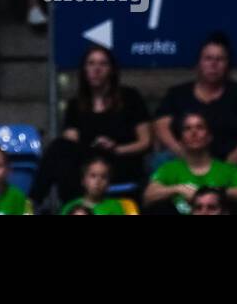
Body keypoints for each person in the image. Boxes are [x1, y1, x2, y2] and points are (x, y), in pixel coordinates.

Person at [153, 35, 237, 214]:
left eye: (220, 59)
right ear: (199, 63)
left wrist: (235, 158)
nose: (214, 64)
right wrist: (181, 153)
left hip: (231, 161)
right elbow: (161, 125)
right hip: (186, 159)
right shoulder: (178, 94)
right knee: (160, 161)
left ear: (227, 65)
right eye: (208, 58)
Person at [30, 44, 151, 209]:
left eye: (102, 64)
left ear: (112, 70)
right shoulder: (76, 104)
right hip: (88, 162)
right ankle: (33, 204)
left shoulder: (130, 97)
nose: (96, 69)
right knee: (60, 150)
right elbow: (70, 141)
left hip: (120, 160)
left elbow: (145, 142)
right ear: (84, 70)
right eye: (91, 64)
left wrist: (116, 148)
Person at [143, 112, 237, 215]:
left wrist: (217, 191)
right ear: (180, 140)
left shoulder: (227, 169)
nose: (194, 132)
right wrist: (178, 189)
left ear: (209, 137)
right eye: (187, 129)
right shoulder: (169, 169)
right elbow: (148, 197)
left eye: (200, 127)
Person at [59, 156, 133, 215]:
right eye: (93, 176)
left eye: (104, 177)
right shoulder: (70, 207)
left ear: (108, 183)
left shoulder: (116, 206)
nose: (98, 181)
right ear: (83, 181)